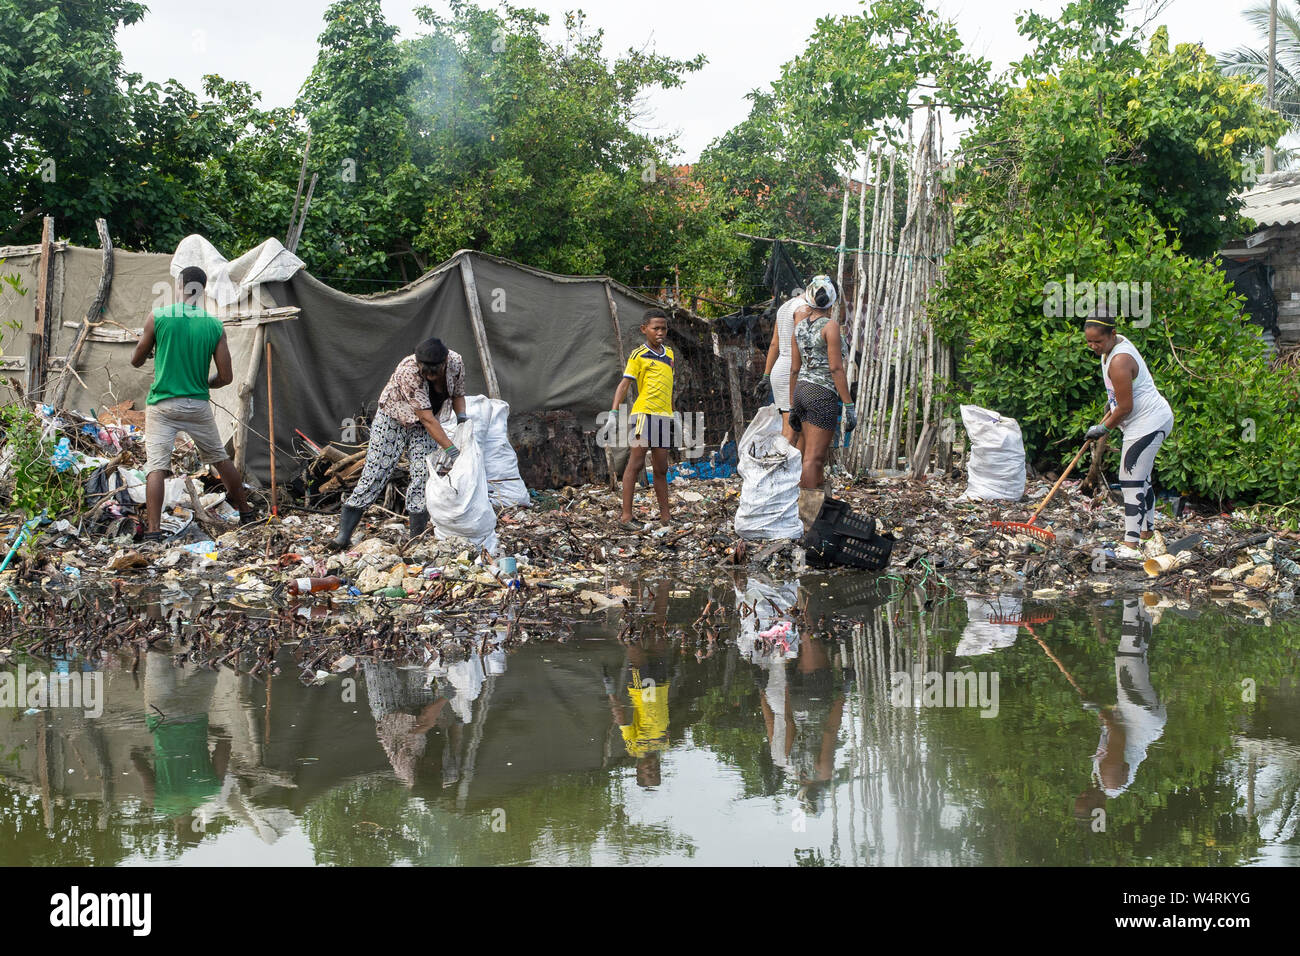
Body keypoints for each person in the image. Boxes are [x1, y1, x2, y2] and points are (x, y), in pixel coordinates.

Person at [130, 266, 255, 541]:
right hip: (197, 405)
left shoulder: (159, 317)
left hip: (163, 406)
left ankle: (153, 532)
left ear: (179, 285)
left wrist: (152, 350)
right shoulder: (214, 325)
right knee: (221, 460)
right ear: (202, 290)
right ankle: (246, 513)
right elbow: (225, 376)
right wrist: (201, 382)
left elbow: (136, 359)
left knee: (156, 468)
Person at [332, 338, 467, 550]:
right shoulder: (408, 370)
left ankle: (416, 539)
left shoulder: (456, 363)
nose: (430, 376)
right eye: (426, 371)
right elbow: (427, 418)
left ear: (444, 362)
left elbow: (458, 393)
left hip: (424, 424)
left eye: (435, 371)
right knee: (376, 471)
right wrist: (452, 450)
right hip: (393, 419)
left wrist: (462, 419)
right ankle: (343, 535)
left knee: (424, 473)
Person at [1082, 308, 1175, 560]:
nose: (1093, 346)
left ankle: (1131, 546)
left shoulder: (1120, 360)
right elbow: (1118, 399)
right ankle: (1147, 537)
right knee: (1141, 479)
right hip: (1143, 421)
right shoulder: (1111, 348)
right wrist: (1109, 414)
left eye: (1098, 341)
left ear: (1112, 334)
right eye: (1089, 341)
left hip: (1149, 422)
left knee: (1130, 480)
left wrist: (1104, 428)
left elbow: (1125, 407)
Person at [788, 275, 856, 491]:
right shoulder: (830, 326)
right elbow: (836, 368)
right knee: (813, 459)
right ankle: (806, 515)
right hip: (821, 394)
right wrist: (848, 405)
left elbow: (794, 369)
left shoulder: (798, 328)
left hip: (801, 391)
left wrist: (792, 406)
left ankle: (816, 507)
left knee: (810, 456)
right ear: (832, 300)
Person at [611, 309, 675, 528]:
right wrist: (614, 411)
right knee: (636, 463)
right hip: (644, 416)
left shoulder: (669, 354)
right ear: (644, 329)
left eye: (663, 328)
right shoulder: (638, 355)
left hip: (664, 417)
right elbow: (624, 384)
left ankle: (666, 517)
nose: (660, 332)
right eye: (655, 328)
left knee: (661, 469)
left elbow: (667, 388)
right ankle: (626, 517)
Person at [756, 288, 806, 443]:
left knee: (795, 428)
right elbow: (801, 345)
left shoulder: (784, 307)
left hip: (780, 369)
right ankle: (783, 466)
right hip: (792, 370)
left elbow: (774, 344)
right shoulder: (804, 309)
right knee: (791, 431)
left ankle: (795, 467)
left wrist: (766, 376)